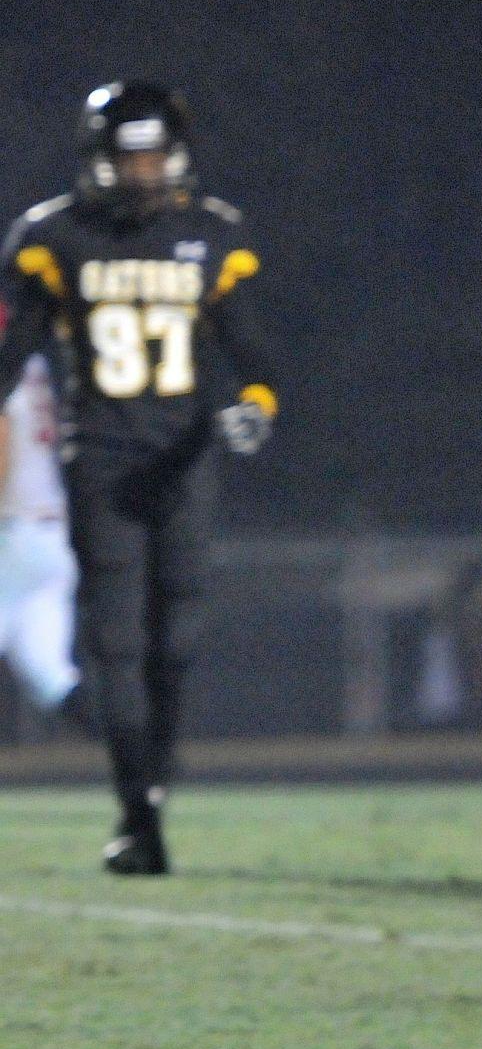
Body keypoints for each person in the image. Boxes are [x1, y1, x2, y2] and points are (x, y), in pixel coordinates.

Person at [0, 80, 277, 873]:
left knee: (173, 644)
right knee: (116, 645)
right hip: (102, 461)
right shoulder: (53, 235)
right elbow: (11, 356)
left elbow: (254, 358)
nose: (146, 172)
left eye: (157, 156)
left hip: (184, 459)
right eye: (131, 157)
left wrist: (254, 406)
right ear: (98, 161)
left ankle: (152, 783)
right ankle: (136, 812)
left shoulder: (211, 233)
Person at [0, 353, 81, 716]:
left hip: (12, 532)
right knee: (51, 676)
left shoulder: (8, 367)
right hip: (52, 535)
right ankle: (140, 757)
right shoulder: (36, 363)